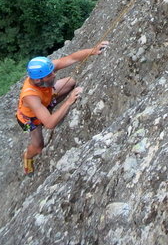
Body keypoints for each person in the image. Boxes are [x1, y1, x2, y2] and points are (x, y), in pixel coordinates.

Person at [16, 41, 108, 174]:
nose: (54, 74)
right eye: (49, 75)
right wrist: (68, 101)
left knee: (70, 83)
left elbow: (71, 58)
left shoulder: (43, 72)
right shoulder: (30, 96)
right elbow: (49, 123)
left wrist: (92, 51)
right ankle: (27, 157)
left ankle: (48, 109)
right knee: (38, 147)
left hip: (44, 101)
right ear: (38, 80)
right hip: (30, 119)